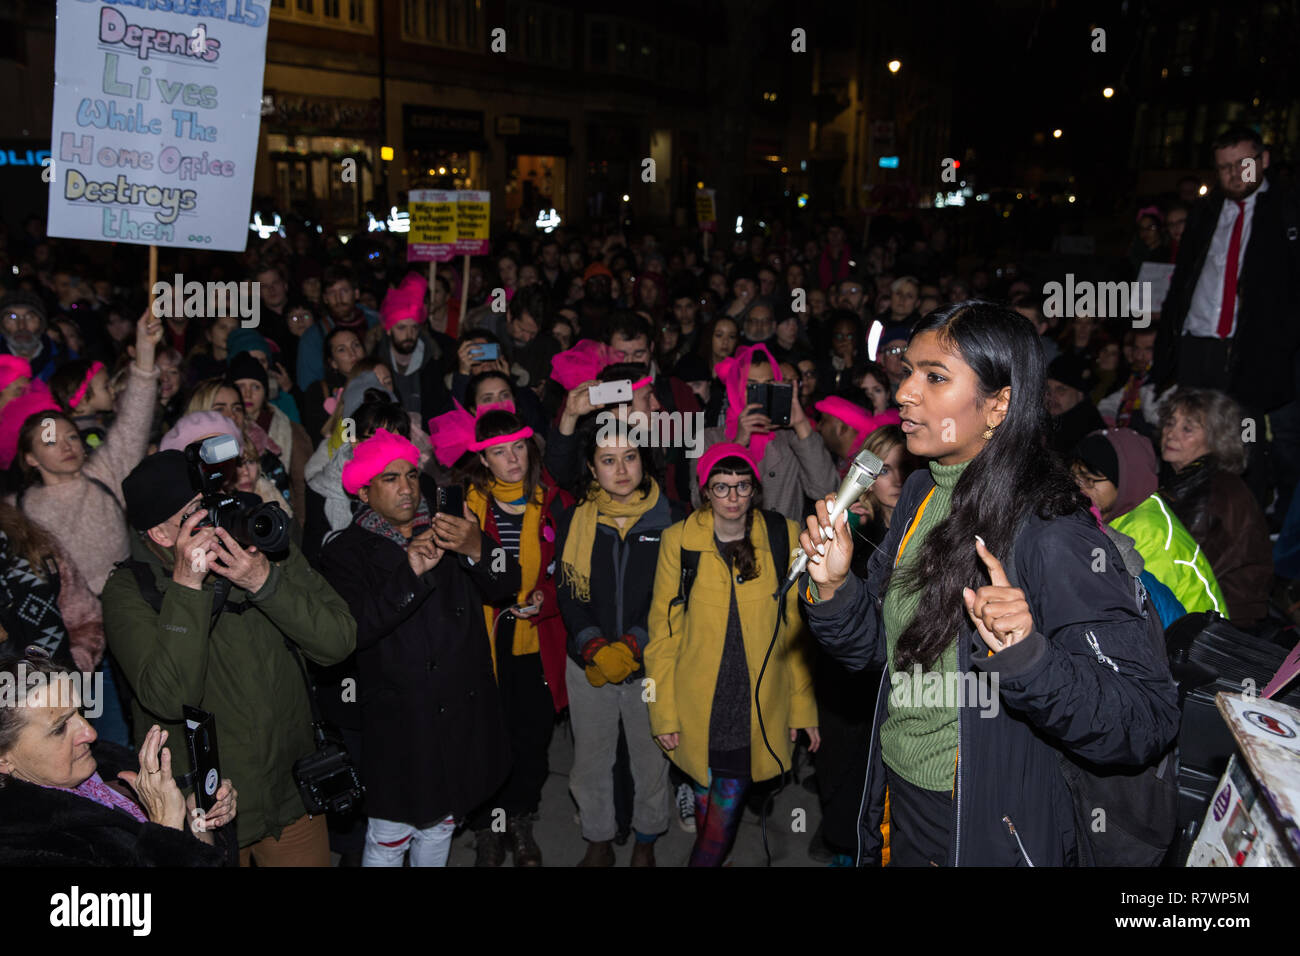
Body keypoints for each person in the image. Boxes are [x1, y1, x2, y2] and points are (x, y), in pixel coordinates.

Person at [798, 300, 1180, 866]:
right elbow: (883, 654)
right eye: (909, 372)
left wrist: (1029, 659)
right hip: (898, 795)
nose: (905, 393)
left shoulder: (1052, 531)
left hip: (984, 822)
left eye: (935, 377)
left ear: (999, 404)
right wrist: (834, 591)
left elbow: (1145, 719)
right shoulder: (921, 491)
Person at [102, 449, 356, 864]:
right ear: (161, 535)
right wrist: (186, 587)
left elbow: (339, 643)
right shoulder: (131, 590)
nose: (211, 519)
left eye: (209, 503)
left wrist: (264, 582)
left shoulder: (260, 545)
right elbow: (167, 697)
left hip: (291, 794)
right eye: (192, 514)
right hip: (205, 810)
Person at [319, 428, 515, 866]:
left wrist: (477, 546)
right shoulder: (345, 553)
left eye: (410, 474)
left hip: (460, 710)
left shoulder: (449, 528)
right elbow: (351, 631)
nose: (406, 487)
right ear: (365, 493)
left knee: (443, 823)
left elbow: (507, 582)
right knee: (391, 833)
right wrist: (410, 573)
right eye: (389, 479)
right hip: (400, 722)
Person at [645, 443, 818, 867]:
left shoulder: (784, 535)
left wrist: (803, 708)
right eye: (721, 487)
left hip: (756, 705)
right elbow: (662, 638)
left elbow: (794, 630)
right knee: (706, 798)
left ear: (754, 489)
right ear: (705, 491)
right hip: (698, 702)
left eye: (742, 486)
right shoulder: (678, 542)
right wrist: (662, 712)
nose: (733, 497)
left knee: (722, 814)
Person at [445, 407, 571, 865]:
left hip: (536, 641)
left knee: (530, 738)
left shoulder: (553, 499)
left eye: (518, 447)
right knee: (483, 737)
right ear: (484, 459)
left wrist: (544, 597)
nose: (513, 459)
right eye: (499, 451)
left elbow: (571, 575)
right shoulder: (465, 504)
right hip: (481, 641)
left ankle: (520, 819)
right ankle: (486, 827)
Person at [555, 430, 682, 866]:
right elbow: (567, 593)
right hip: (587, 662)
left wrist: (633, 645)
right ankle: (598, 838)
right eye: (608, 460)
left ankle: (647, 837)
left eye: (630, 457)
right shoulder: (575, 519)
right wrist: (592, 646)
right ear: (592, 468)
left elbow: (672, 595)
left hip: (651, 666)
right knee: (591, 759)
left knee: (651, 758)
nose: (621, 469)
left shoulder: (670, 517)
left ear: (644, 461)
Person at [0, 655, 237, 866]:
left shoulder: (106, 761)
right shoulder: (19, 840)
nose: (90, 733)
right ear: (3, 760)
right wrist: (165, 828)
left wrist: (196, 819)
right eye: (60, 728)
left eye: (80, 713)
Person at [1152, 126, 1300, 421]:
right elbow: (1183, 280)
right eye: (1224, 167)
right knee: (1192, 438)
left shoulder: (1287, 211)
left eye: (1242, 164)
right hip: (1197, 345)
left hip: (1252, 351)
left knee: (1244, 440)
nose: (1234, 174)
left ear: (1264, 160)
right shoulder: (1204, 213)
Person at [1070, 429, 1224, 626]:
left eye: (1091, 480)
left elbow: (1151, 608)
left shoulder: (1146, 531)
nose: (1080, 488)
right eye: (1075, 477)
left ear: (1125, 480)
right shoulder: (1124, 513)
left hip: (1195, 643)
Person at [1157, 389, 1273, 628]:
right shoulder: (1191, 481)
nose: (1170, 434)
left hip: (1219, 617)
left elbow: (1180, 564)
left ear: (1217, 438)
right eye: (1170, 423)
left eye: (1187, 429)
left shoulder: (1213, 490)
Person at [701, 343, 839, 522]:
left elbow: (827, 491)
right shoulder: (709, 438)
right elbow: (701, 501)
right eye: (752, 387)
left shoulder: (791, 438)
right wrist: (738, 444)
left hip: (783, 544)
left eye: (768, 385)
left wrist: (801, 424)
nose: (761, 395)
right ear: (735, 388)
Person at [375, 271, 452, 422]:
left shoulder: (434, 360)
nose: (409, 335)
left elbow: (441, 410)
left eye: (414, 328)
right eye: (402, 328)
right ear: (389, 329)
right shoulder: (376, 363)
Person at [1045, 352, 1105, 456]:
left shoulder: (1085, 432)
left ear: (1080, 394)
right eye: (1047, 389)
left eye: (1061, 389)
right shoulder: (1046, 422)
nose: (1051, 396)